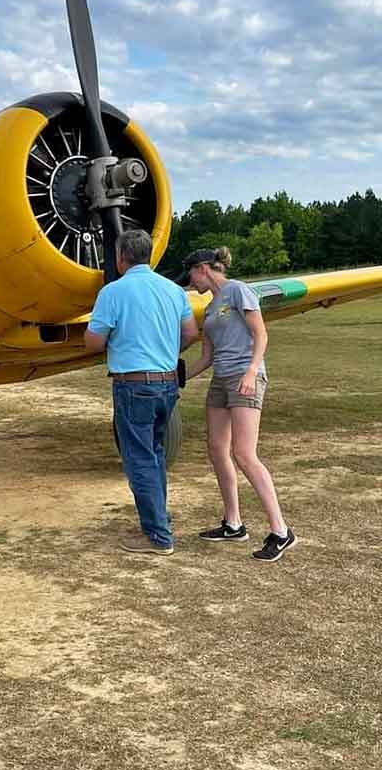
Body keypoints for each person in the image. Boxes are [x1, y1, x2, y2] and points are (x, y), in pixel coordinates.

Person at [84, 229, 199, 555]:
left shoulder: (113, 292)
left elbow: (94, 342)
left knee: (139, 460)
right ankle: (158, 519)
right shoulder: (174, 290)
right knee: (155, 455)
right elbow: (190, 333)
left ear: (121, 258)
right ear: (149, 255)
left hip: (133, 386)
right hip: (167, 383)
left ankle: (158, 537)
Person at [182, 247, 297, 562]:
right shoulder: (208, 309)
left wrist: (250, 371)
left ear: (204, 268)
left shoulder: (237, 291)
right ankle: (233, 523)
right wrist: (179, 378)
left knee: (245, 455)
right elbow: (206, 357)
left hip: (245, 375)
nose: (190, 282)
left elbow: (261, 334)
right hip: (221, 379)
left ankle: (281, 532)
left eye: (191, 274)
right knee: (217, 449)